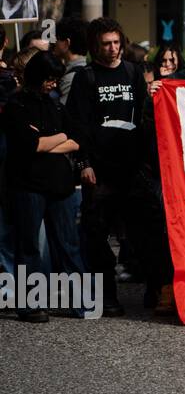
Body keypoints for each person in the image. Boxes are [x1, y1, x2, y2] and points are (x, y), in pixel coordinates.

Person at [65, 18, 159, 317]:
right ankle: (107, 295)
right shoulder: (86, 78)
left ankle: (155, 291)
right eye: (106, 44)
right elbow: (76, 124)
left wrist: (156, 97)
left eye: (117, 42)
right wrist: (83, 164)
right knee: (98, 238)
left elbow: (145, 119)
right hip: (101, 172)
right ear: (95, 46)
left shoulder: (132, 72)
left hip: (132, 170)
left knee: (145, 233)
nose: (113, 49)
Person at [3, 51, 85, 322]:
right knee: (29, 247)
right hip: (27, 185)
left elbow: (75, 140)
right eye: (49, 79)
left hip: (59, 184)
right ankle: (30, 305)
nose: (52, 85)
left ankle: (80, 302)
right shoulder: (16, 105)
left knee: (68, 244)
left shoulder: (55, 105)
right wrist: (56, 139)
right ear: (38, 77)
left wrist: (48, 139)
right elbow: (28, 144)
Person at [54, 17, 90, 104]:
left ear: (67, 43)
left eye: (57, 38)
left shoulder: (72, 77)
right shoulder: (88, 69)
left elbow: (64, 111)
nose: (54, 42)